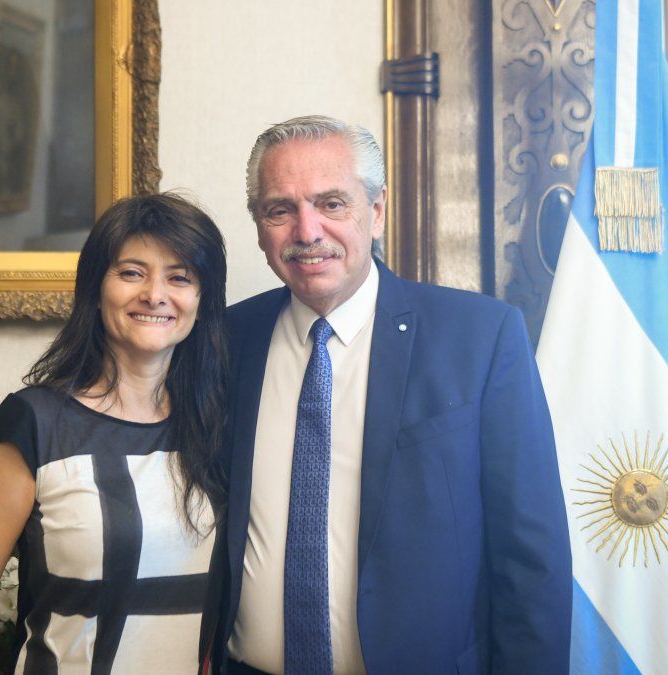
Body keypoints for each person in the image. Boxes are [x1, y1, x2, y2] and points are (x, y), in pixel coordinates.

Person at [214, 116, 571, 674]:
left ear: (376, 212)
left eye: (332, 204)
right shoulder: (226, 341)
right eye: (280, 209)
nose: (307, 232)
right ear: (260, 227)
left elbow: (532, 557)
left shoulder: (480, 337)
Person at [0, 192, 229, 673]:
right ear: (96, 288)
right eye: (131, 272)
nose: (155, 294)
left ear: (202, 301)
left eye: (180, 277)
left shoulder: (218, 424)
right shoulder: (31, 425)